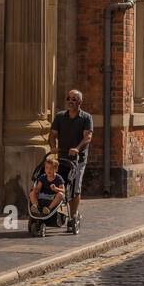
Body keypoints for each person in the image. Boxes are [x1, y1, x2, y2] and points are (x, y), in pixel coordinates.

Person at [49, 88, 93, 223]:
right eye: (68, 98)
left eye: (74, 99)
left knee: (75, 187)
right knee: (58, 185)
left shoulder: (86, 118)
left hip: (78, 160)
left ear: (80, 102)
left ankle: (73, 216)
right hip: (62, 158)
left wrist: (77, 149)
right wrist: (53, 147)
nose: (70, 101)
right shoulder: (60, 116)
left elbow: (87, 137)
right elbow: (52, 134)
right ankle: (57, 213)